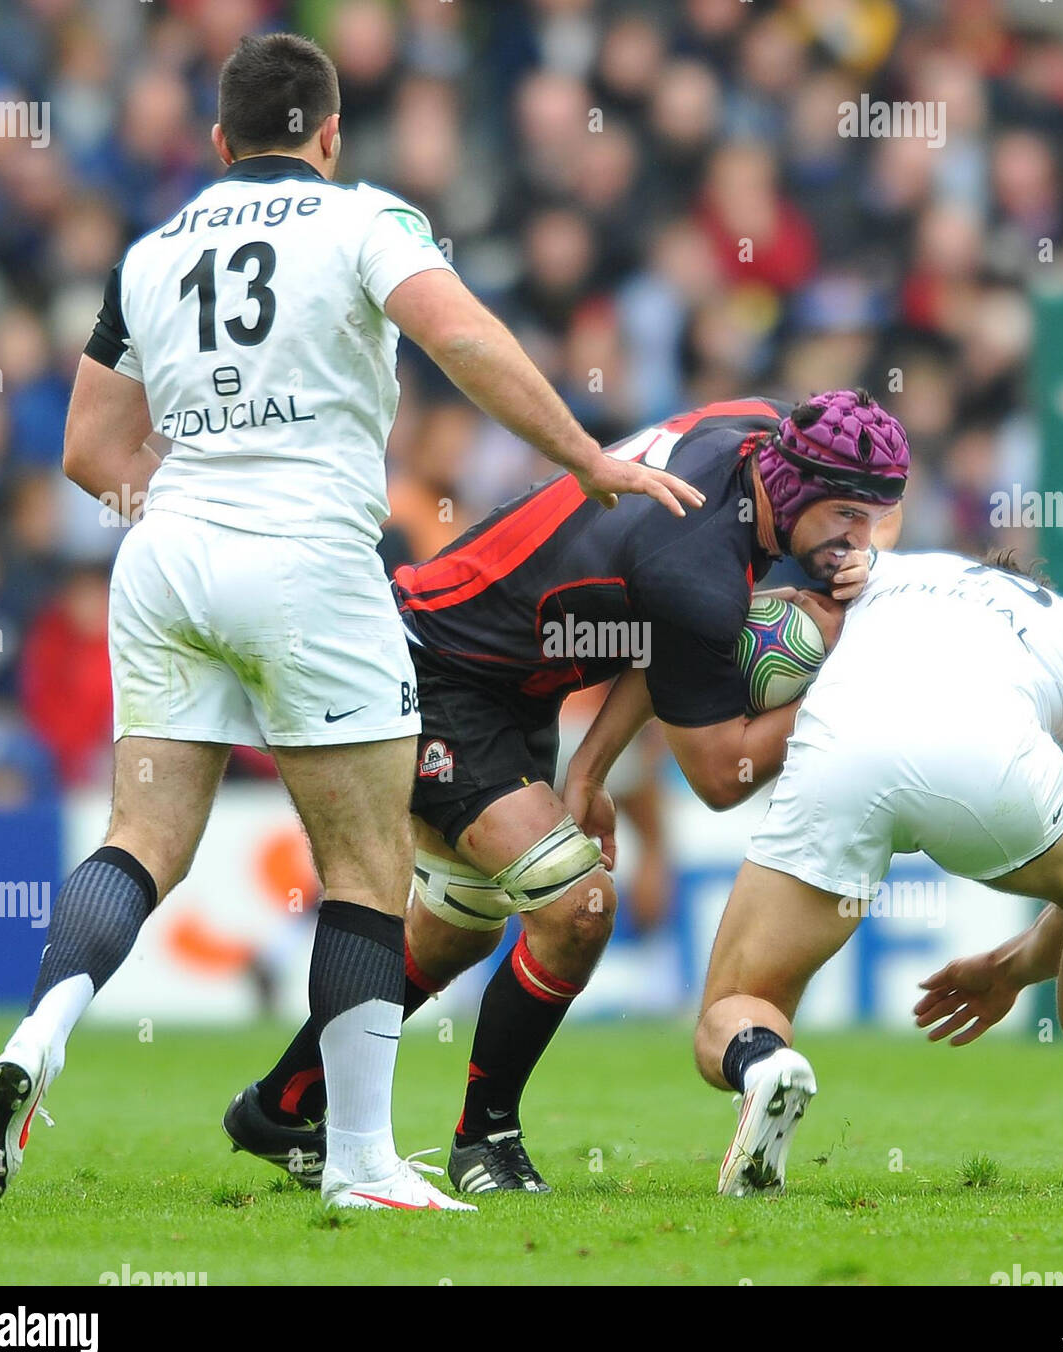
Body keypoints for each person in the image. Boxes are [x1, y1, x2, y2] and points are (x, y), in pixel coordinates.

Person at [0, 32, 700, 1214]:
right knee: (366, 863)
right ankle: (359, 1158)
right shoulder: (366, 221)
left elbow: (88, 450)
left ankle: (39, 1032)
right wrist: (585, 455)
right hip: (307, 561)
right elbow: (461, 337)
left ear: (217, 142)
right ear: (331, 133)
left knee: (140, 837)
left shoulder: (149, 252)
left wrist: (192, 506)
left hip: (167, 559)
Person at [226, 388, 909, 1194]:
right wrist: (842, 678)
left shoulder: (759, 430)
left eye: (876, 518)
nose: (860, 542)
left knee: (457, 932)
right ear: (795, 489)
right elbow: (725, 774)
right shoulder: (698, 569)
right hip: (436, 671)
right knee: (577, 908)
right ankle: (486, 1141)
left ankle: (280, 1104)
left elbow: (657, 636)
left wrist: (586, 772)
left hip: (517, 681)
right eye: (848, 520)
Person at [685, 550, 1063, 1196]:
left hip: (842, 746)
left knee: (734, 1003)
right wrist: (1009, 970)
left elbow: (794, 604)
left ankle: (761, 1064)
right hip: (981, 752)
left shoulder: (884, 568)